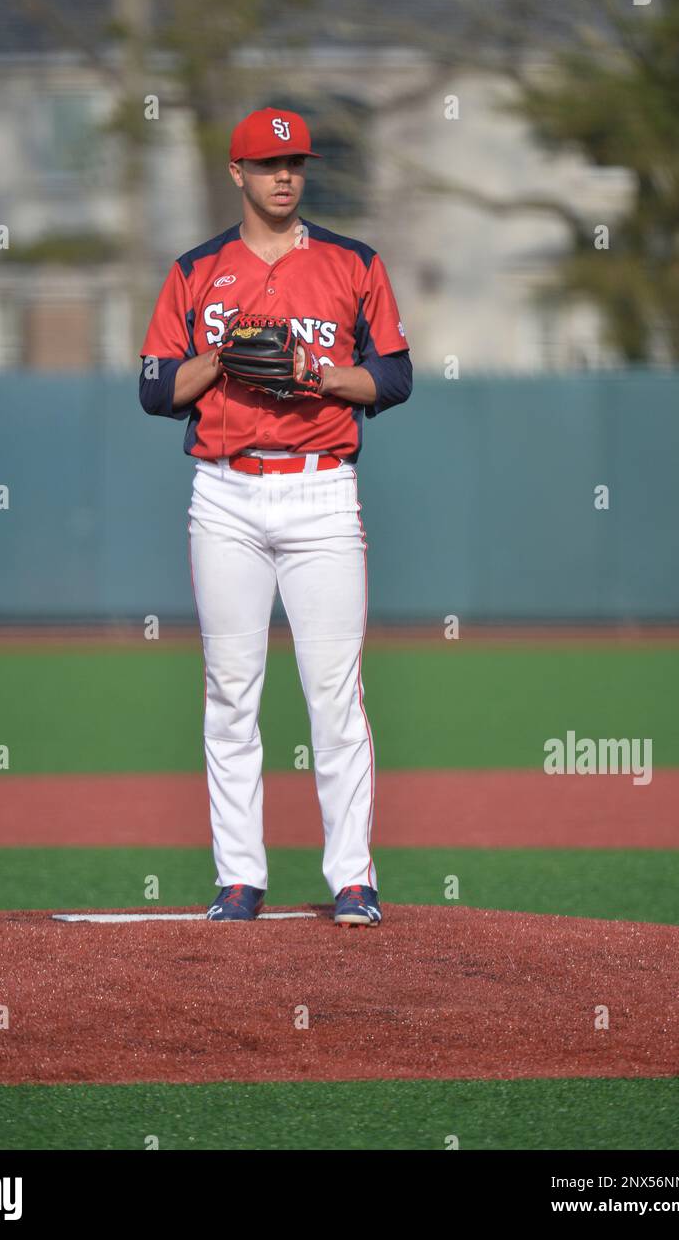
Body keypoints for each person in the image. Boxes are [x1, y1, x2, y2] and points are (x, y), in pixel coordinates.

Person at [139, 107, 412, 926]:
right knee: (231, 692)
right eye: (266, 164)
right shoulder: (195, 271)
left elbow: (392, 381)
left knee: (333, 694)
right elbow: (156, 392)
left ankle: (353, 880)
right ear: (237, 174)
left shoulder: (353, 263)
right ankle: (239, 878)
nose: (284, 176)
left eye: (295, 162)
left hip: (322, 489)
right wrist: (221, 358)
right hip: (224, 495)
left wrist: (319, 375)